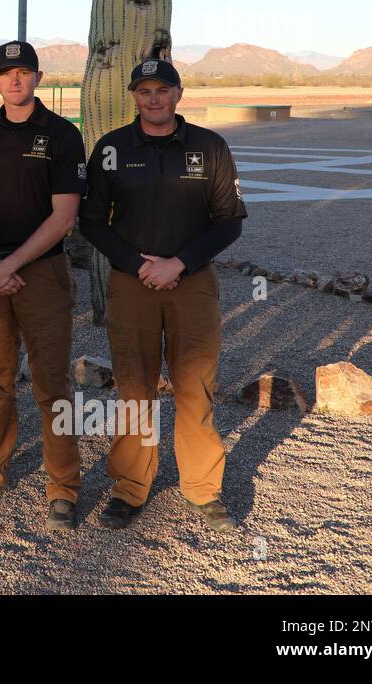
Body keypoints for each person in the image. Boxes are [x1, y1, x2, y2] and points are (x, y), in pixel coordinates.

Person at [79, 58, 247, 532]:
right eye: (144, 91)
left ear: (178, 95)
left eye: (162, 90)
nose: (153, 99)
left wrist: (179, 263)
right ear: (134, 96)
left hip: (192, 283)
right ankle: (130, 487)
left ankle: (203, 489)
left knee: (196, 385)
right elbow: (91, 220)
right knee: (134, 385)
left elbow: (229, 219)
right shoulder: (111, 149)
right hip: (132, 284)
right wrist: (138, 265)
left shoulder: (209, 147)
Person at [0, 40, 86, 530]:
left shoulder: (61, 135)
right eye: (6, 73)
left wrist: (12, 266)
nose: (15, 80)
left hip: (41, 273)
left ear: (37, 77)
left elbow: (64, 215)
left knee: (52, 384)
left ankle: (64, 487)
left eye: (24, 72)